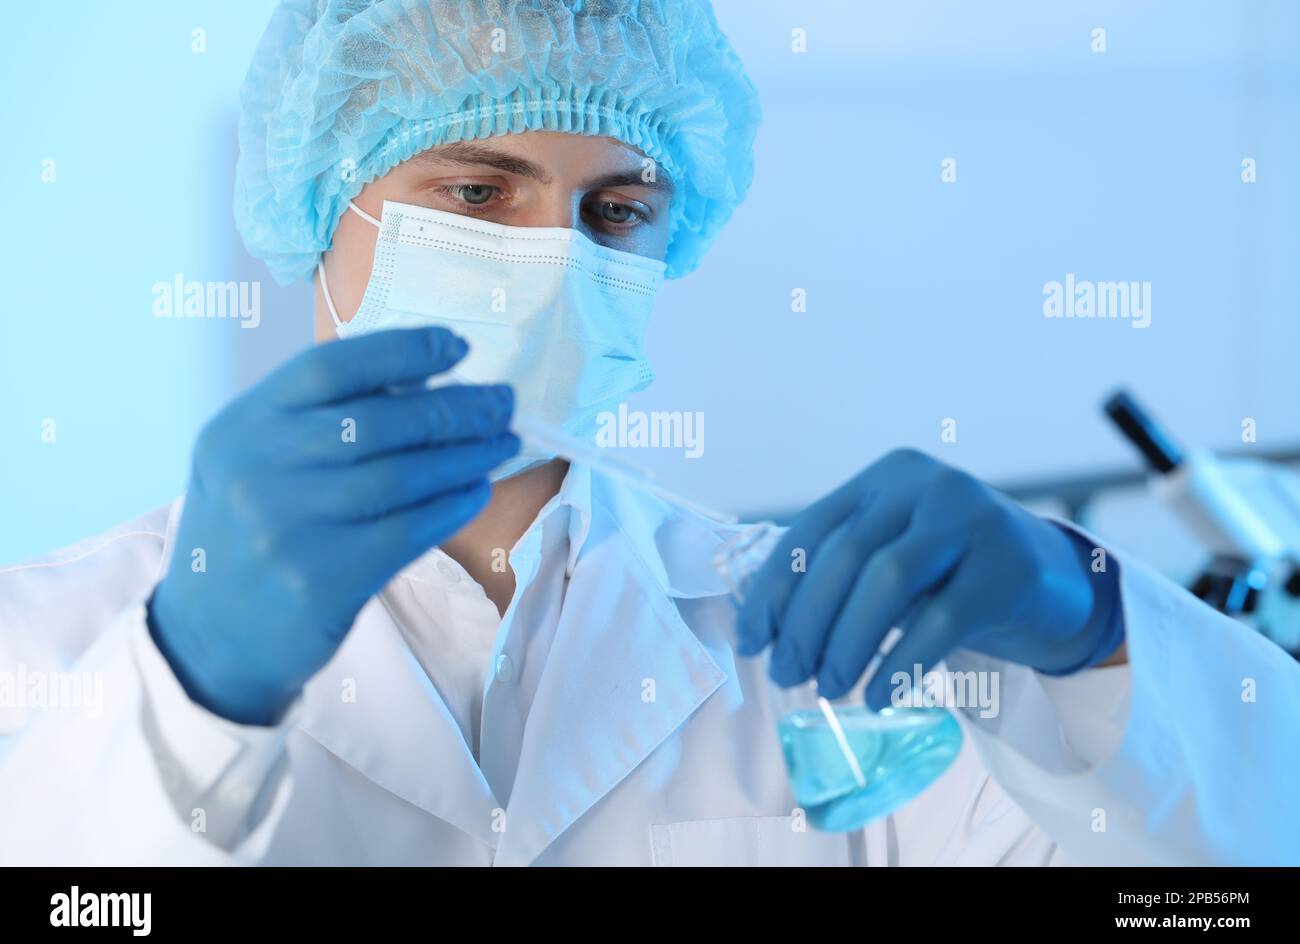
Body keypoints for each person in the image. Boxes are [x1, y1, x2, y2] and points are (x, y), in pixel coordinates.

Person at [0, 0, 1296, 866]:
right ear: (316, 204)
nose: (553, 260)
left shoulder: (804, 648)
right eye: (473, 189)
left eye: (617, 212)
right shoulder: (44, 644)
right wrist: (190, 703)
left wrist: (1099, 640)